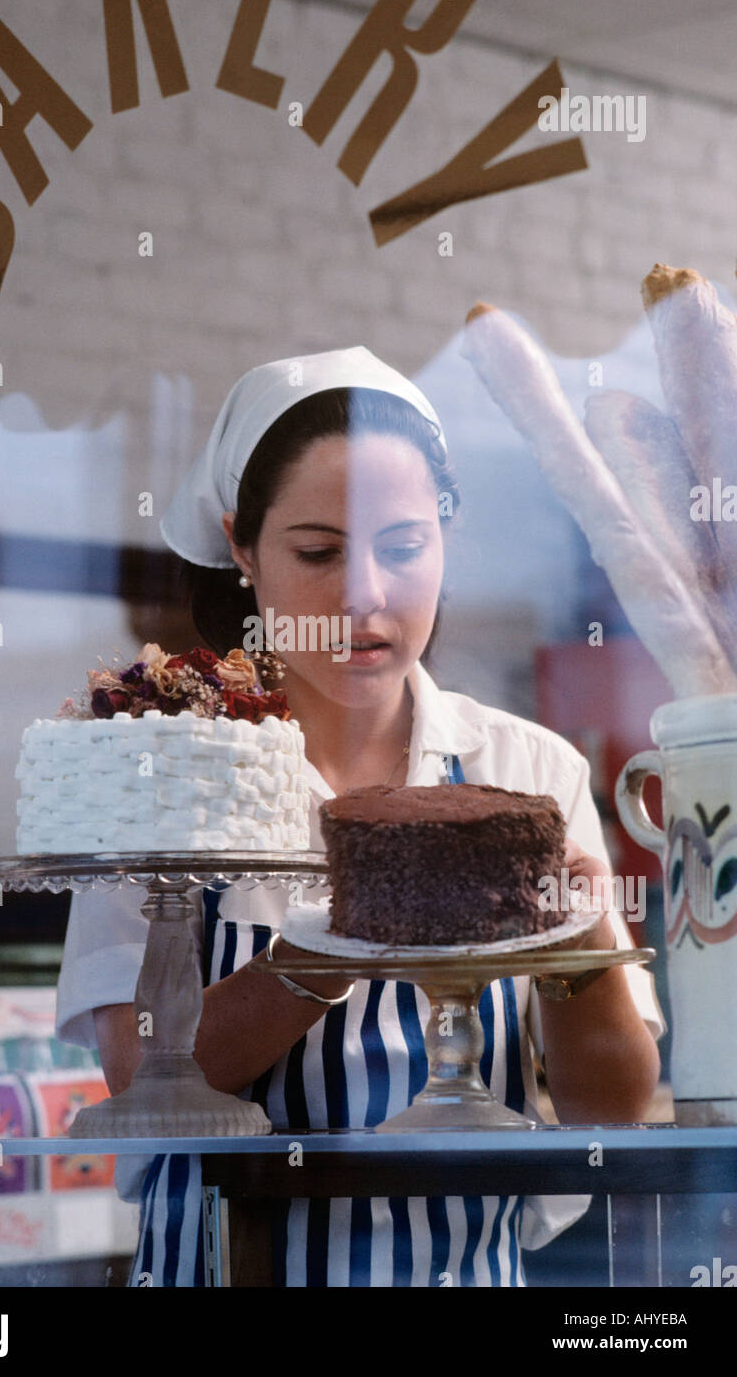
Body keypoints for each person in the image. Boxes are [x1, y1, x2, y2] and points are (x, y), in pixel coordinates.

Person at [56, 346, 665, 1287]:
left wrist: (576, 952)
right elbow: (141, 1081)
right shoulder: (162, 769)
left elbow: (613, 1116)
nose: (363, 596)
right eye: (318, 551)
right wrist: (319, 957)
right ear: (244, 550)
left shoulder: (526, 770)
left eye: (403, 547)